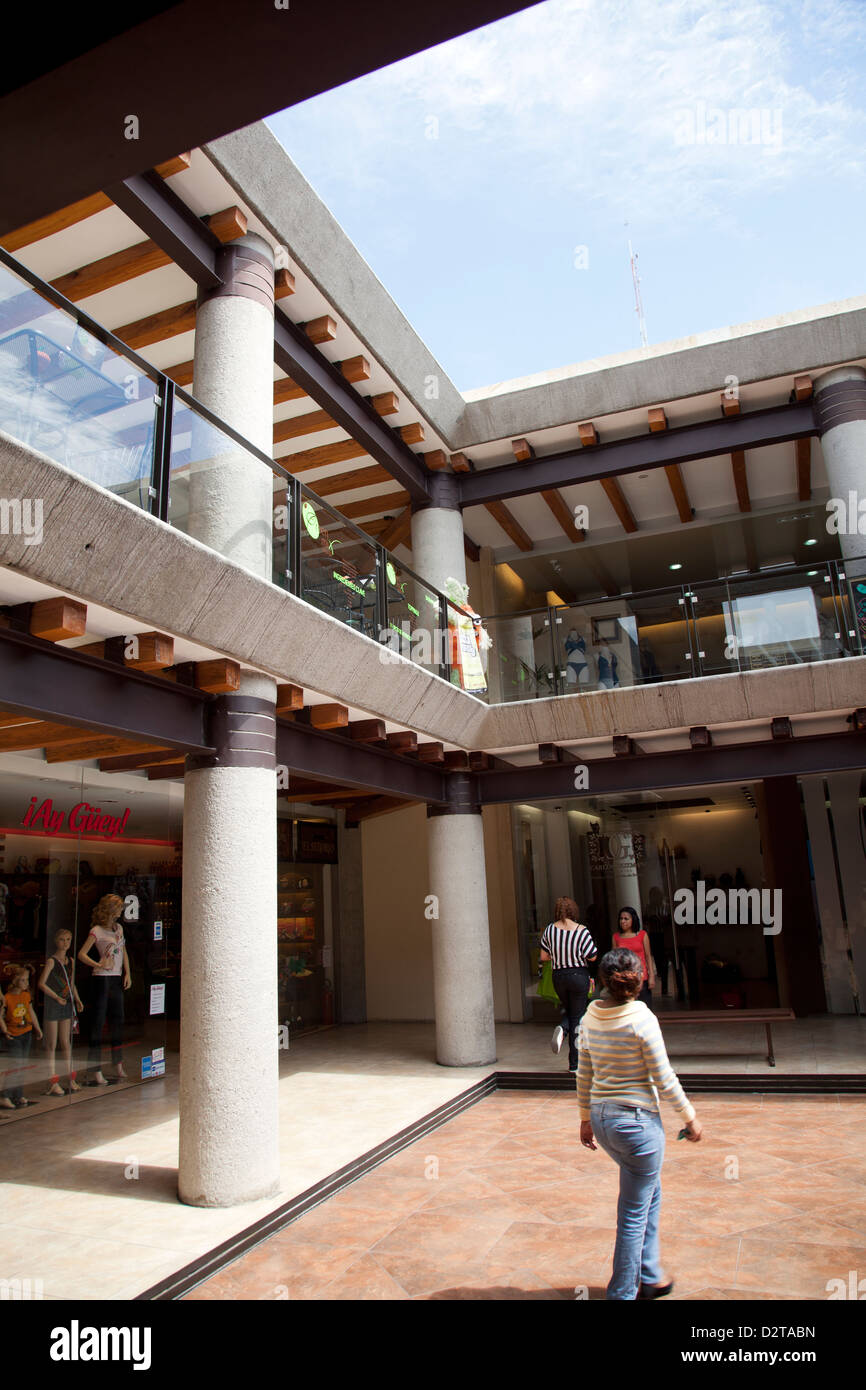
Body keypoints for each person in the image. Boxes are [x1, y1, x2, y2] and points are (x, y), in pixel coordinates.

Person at [578, 948, 702, 1300]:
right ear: (640, 977)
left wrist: (585, 1118)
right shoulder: (641, 1018)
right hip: (636, 1124)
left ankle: (649, 1274)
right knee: (633, 1212)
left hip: (604, 1121)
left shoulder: (590, 1016)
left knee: (649, 1190)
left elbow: (584, 1072)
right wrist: (690, 1117)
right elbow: (663, 1077)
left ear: (603, 981)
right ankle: (622, 1293)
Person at [77, 894, 131, 1086]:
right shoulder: (97, 931)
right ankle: (96, 1069)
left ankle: (118, 1063)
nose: (120, 911)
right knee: (98, 1024)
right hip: (101, 979)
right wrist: (97, 964)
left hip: (116, 978)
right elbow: (82, 954)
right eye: (118, 908)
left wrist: (127, 973)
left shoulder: (119, 929)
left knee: (118, 1020)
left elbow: (123, 950)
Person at [539, 897, 597, 1071]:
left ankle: (563, 1029)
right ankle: (574, 1062)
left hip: (559, 976)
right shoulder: (581, 930)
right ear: (574, 911)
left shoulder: (550, 930)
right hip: (578, 975)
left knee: (572, 1012)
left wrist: (557, 956)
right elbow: (592, 955)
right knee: (577, 1016)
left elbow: (543, 957)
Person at [38, 928, 84, 1096]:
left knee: (65, 1042)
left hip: (66, 1003)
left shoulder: (70, 961)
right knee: (51, 1043)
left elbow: (71, 983)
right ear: (56, 941)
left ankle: (71, 1078)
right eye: (62, 940)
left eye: (68, 940)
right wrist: (56, 997)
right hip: (54, 1003)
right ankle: (52, 1081)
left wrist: (77, 999)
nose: (65, 943)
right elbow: (42, 983)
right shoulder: (52, 961)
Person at [0, 962, 43, 1108]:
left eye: (27, 980)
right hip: (14, 1034)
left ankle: (18, 1094)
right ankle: (5, 1094)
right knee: (16, 1063)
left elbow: (31, 1012)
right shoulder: (7, 998)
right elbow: (1, 1015)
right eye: (23, 980)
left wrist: (37, 1028)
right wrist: (5, 1029)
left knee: (23, 1064)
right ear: (15, 981)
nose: (26, 983)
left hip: (26, 1032)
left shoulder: (26, 995)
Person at [613, 906, 654, 1006]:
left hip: (641, 978)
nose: (623, 921)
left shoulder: (642, 935)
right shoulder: (616, 937)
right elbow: (614, 960)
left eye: (626, 919)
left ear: (633, 920)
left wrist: (651, 976)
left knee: (645, 1008)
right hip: (624, 979)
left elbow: (648, 956)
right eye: (621, 918)